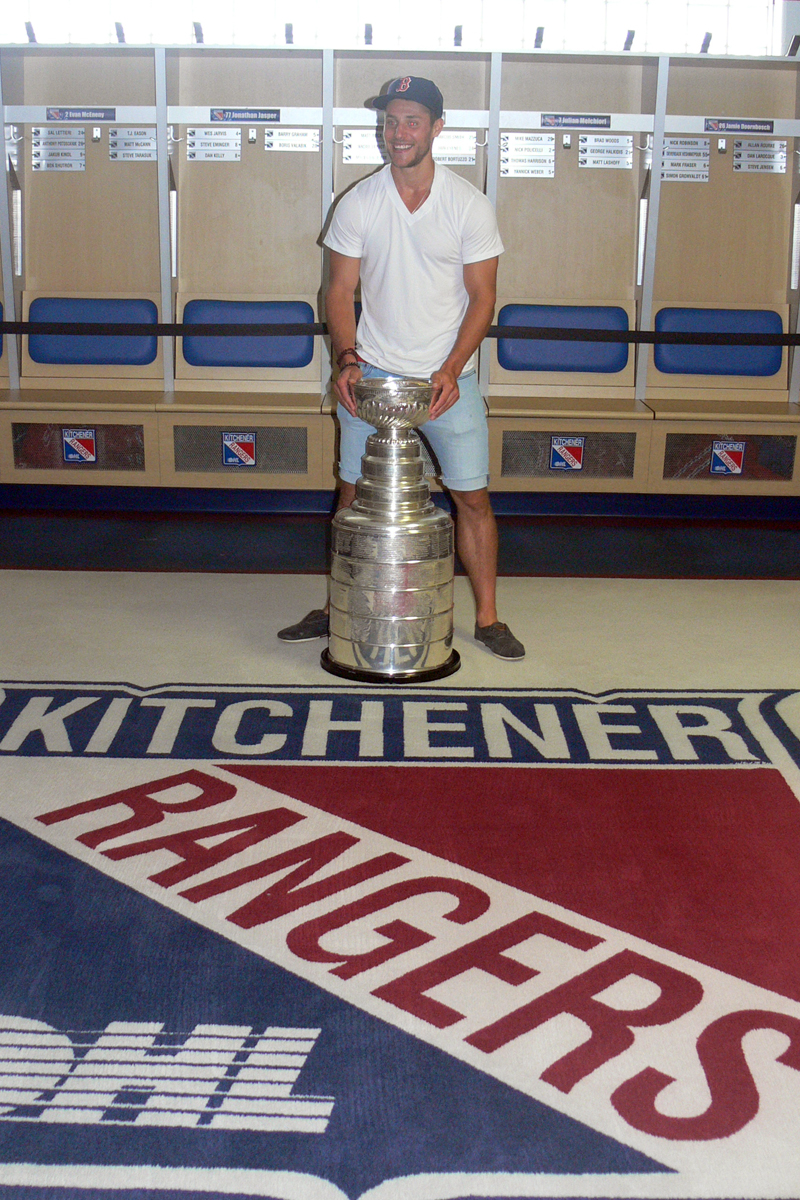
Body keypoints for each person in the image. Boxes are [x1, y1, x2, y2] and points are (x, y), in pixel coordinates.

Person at [278, 75, 525, 660]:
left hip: (448, 382)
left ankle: (487, 617)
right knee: (352, 497)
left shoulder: (468, 204)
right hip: (373, 380)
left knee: (470, 499)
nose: (399, 132)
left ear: (437, 128)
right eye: (391, 121)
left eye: (412, 120)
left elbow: (483, 297)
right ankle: (343, 603)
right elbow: (338, 290)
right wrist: (346, 358)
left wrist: (451, 366)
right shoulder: (359, 201)